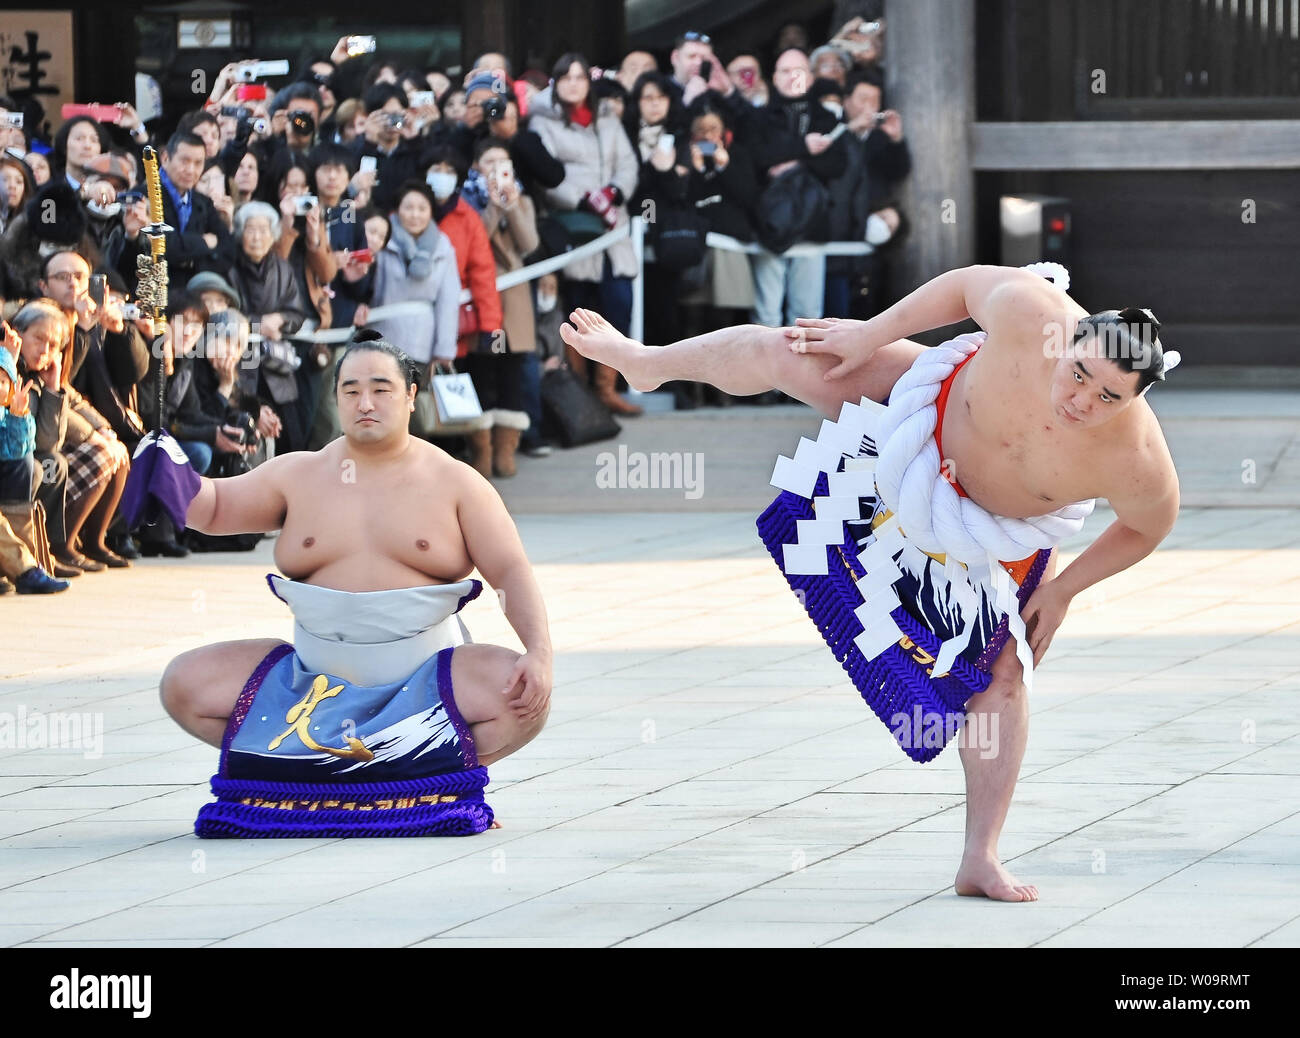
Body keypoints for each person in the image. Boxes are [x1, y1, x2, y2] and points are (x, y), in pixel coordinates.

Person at [558, 264, 1181, 903]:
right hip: (926, 415)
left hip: (998, 536)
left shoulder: (1135, 458)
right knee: (793, 350)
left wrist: (1064, 588)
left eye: (1109, 396)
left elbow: (1148, 526)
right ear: (1070, 341)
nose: (1082, 402)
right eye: (1079, 374)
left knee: (1007, 674)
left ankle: (980, 857)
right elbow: (964, 288)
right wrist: (871, 333)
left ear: (1136, 399)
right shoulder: (1031, 312)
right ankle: (648, 362)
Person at [158, 330, 553, 837]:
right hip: (310, 683)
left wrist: (538, 651)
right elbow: (211, 507)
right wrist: (164, 467)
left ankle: (413, 779)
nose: (365, 402)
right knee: (183, 684)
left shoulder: (457, 483)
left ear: (412, 396)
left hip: (425, 682)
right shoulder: (298, 474)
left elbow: (510, 571)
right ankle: (330, 777)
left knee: (520, 697)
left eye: (381, 389)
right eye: (350, 390)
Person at [529, 52, 642, 417]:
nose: (574, 84)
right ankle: (581, 394)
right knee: (579, 308)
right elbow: (546, 175)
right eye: (566, 78)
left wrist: (611, 193)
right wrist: (583, 198)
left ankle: (607, 388)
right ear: (556, 83)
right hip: (574, 225)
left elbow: (627, 163)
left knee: (618, 302)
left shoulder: (608, 118)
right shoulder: (542, 121)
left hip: (613, 225)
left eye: (580, 77)